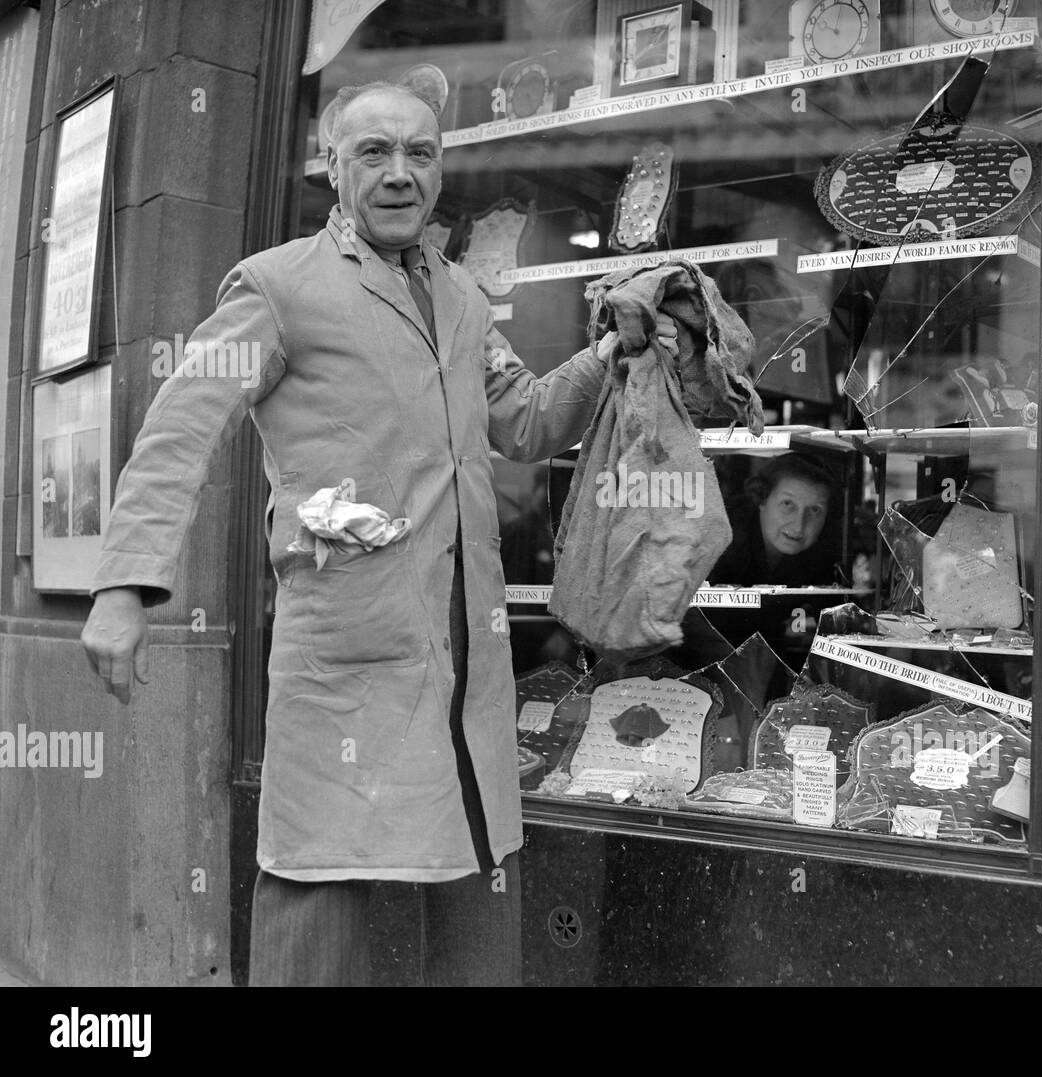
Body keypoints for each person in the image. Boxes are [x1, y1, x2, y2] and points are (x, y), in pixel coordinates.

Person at [79, 80, 677, 986]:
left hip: (465, 649)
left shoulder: (466, 297)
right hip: (349, 650)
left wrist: (606, 352)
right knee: (319, 880)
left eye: (421, 154)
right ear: (331, 165)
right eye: (373, 153)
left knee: (478, 876)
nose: (400, 174)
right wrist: (124, 586)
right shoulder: (278, 288)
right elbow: (180, 425)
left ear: (440, 168)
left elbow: (523, 425)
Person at [708, 453, 838, 587]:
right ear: (761, 498)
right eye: (787, 504)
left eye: (814, 510)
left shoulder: (831, 550)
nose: (799, 526)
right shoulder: (719, 536)